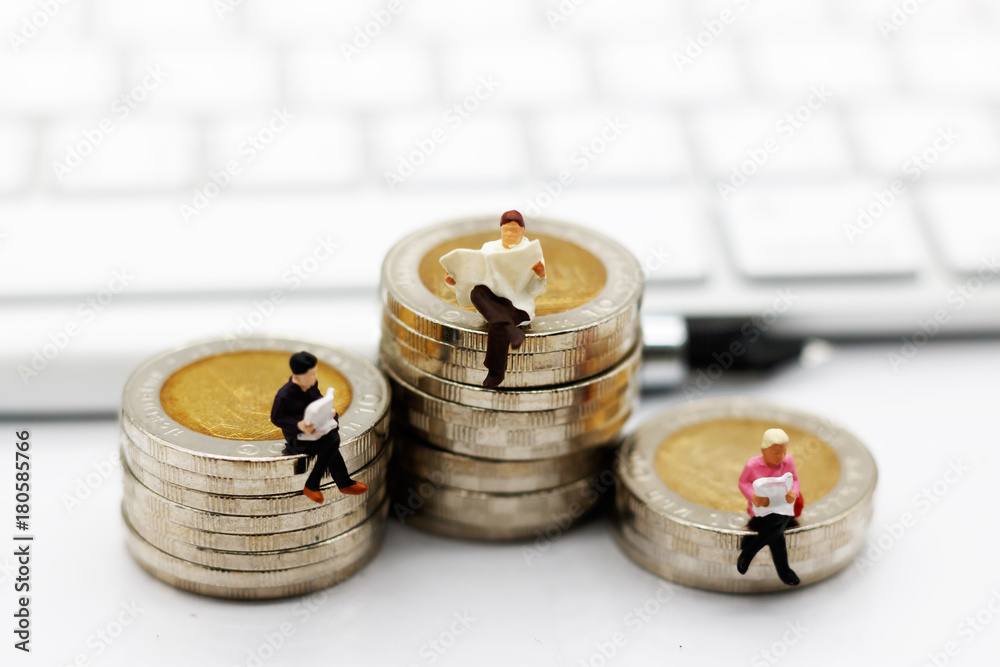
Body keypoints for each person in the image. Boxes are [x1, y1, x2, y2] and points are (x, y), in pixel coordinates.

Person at [440, 210, 547, 387]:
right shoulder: (489, 248)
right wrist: (455, 279)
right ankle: (510, 330)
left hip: (517, 306)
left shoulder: (532, 253)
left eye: (514, 230)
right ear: (500, 230)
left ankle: (496, 372)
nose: (509, 234)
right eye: (506, 230)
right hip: (493, 302)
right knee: (476, 292)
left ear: (522, 231)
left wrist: (541, 274)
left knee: (497, 325)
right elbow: (475, 275)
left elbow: (538, 288)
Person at [270, 351, 367, 503]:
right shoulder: (284, 395)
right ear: (298, 376)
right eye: (311, 375)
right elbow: (276, 418)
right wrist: (299, 425)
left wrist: (328, 409)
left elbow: (318, 399)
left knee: (332, 438)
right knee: (331, 442)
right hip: (297, 436)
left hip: (315, 427)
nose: (314, 378)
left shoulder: (311, 385)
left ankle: (321, 484)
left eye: (315, 374)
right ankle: (334, 483)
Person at [736, 428, 801, 586]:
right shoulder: (752, 465)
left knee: (781, 517)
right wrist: (753, 497)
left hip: (782, 506)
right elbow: (743, 483)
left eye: (784, 452)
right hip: (761, 511)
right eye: (777, 452)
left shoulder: (788, 462)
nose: (781, 457)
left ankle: (749, 551)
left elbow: (796, 480)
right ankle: (784, 571)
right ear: (763, 451)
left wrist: (794, 493)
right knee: (777, 532)